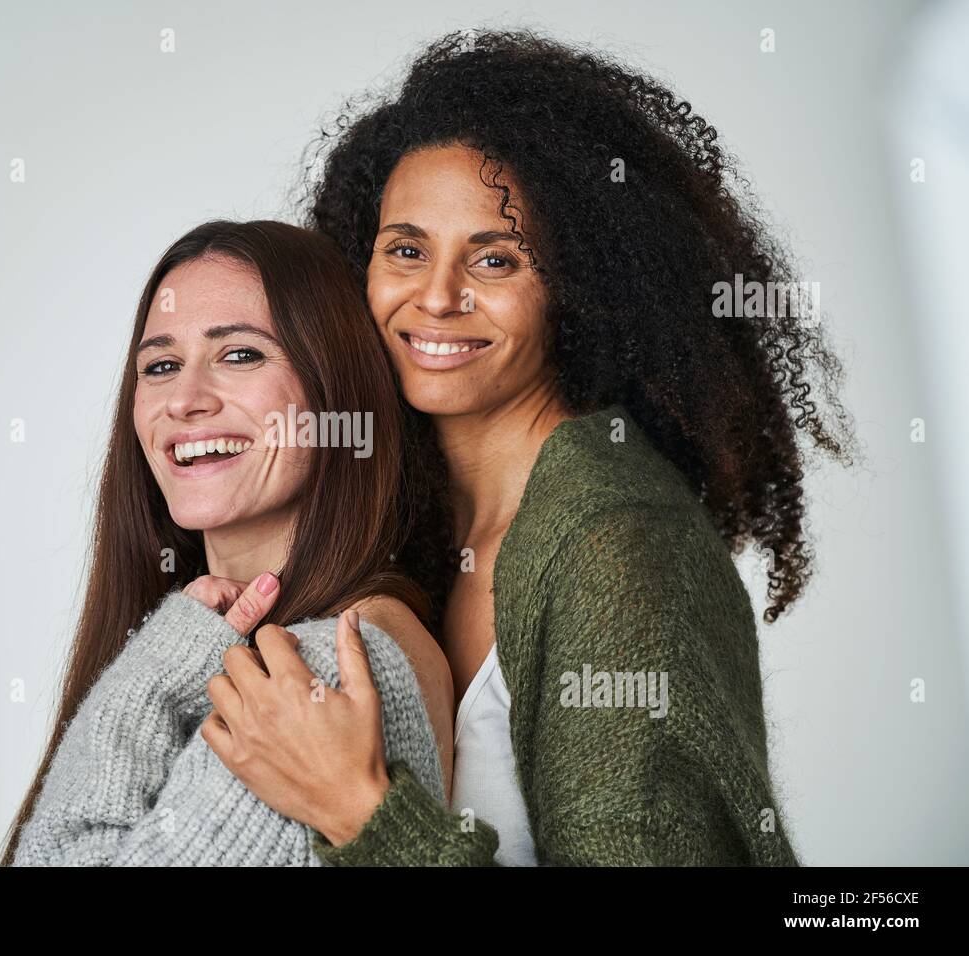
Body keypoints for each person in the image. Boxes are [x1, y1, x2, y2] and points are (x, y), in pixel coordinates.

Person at [201, 30, 856, 865]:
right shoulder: (418, 518)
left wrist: (363, 814)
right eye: (406, 250)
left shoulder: (615, 545)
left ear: (580, 286)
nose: (436, 297)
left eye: (497, 260)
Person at [0, 220, 454, 866]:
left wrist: (147, 684)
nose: (183, 400)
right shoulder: (262, 649)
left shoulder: (320, 667)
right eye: (159, 366)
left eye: (240, 355)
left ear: (335, 391)